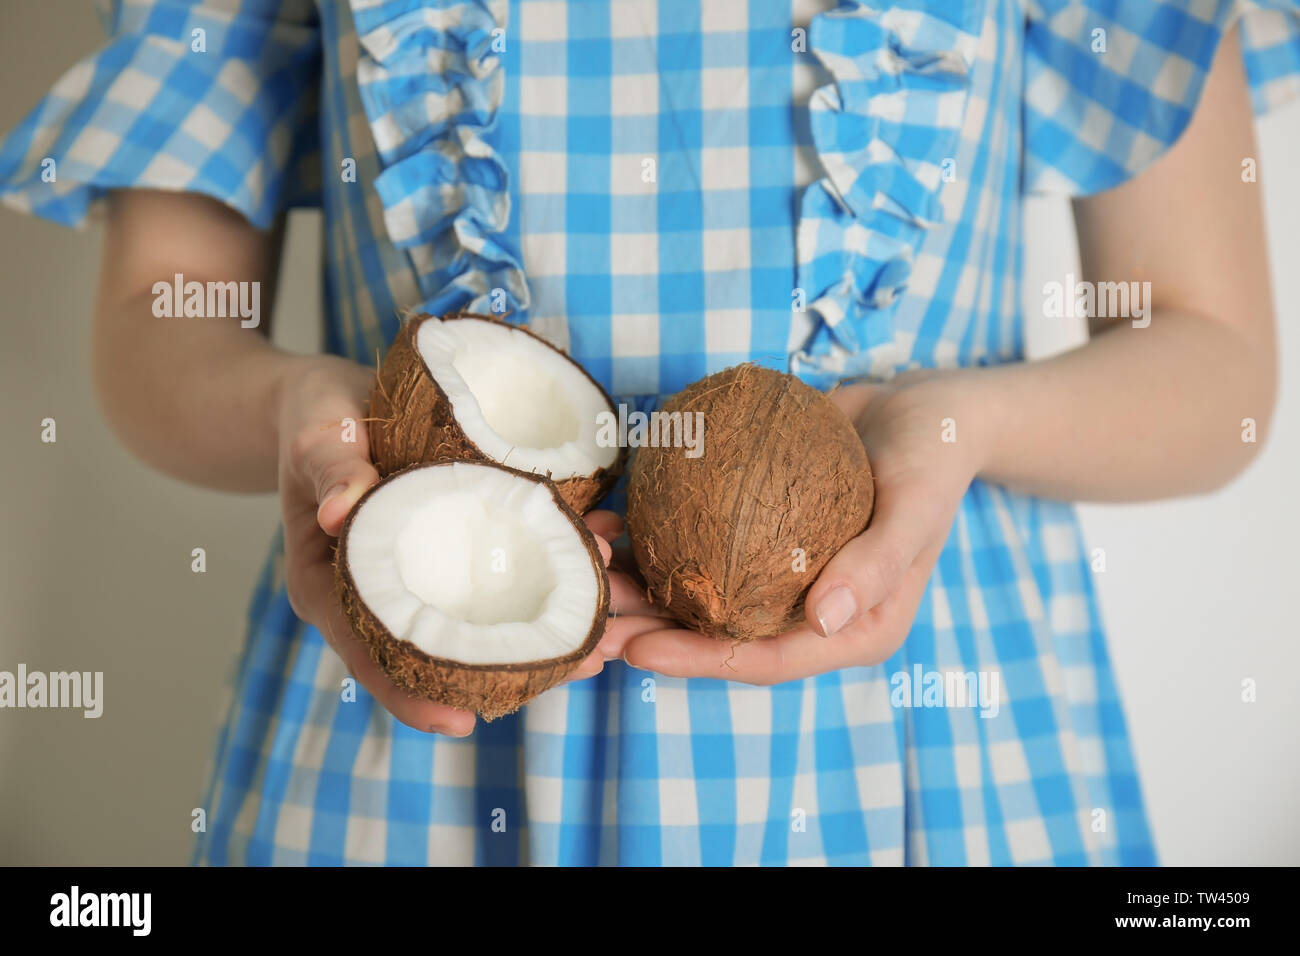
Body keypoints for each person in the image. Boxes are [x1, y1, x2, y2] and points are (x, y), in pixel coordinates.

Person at [2, 0, 1296, 866]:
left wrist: (951, 425)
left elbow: (1216, 363)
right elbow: (163, 322)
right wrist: (302, 412)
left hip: (926, 738)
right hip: (419, 712)